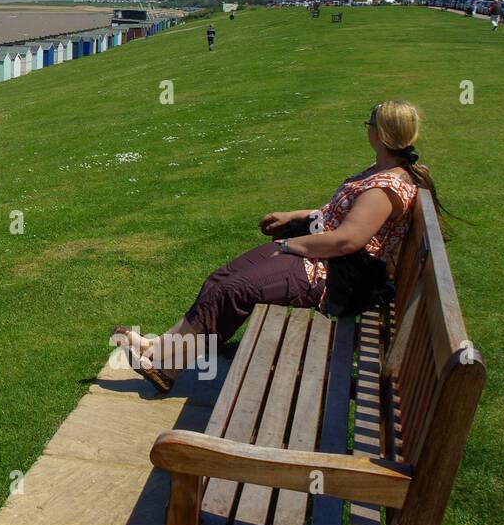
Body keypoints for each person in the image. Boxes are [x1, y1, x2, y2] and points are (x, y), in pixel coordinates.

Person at [112, 100, 439, 393]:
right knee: (221, 278)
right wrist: (294, 216)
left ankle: (168, 367)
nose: (366, 129)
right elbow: (336, 216)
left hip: (328, 275)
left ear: (380, 134)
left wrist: (291, 244)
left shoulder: (385, 188)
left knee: (234, 290)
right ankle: (159, 346)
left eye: (369, 124)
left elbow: (346, 240)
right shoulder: (380, 171)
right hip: (320, 258)